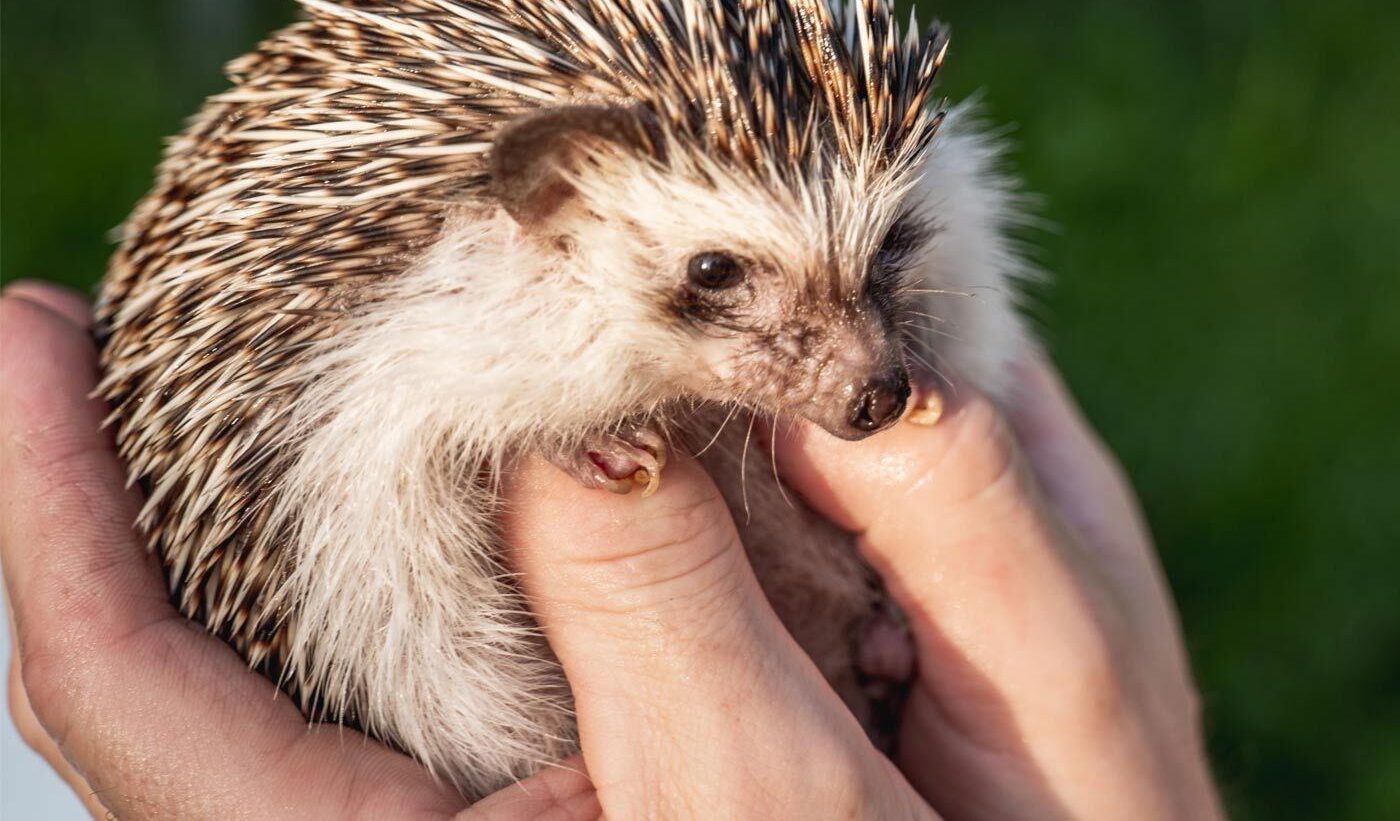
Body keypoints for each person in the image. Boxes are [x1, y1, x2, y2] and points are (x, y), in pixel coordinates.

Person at [0, 281, 1225, 820]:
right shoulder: (425, 339)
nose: (860, 372)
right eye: (718, 277)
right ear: (541, 210)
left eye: (874, 269)